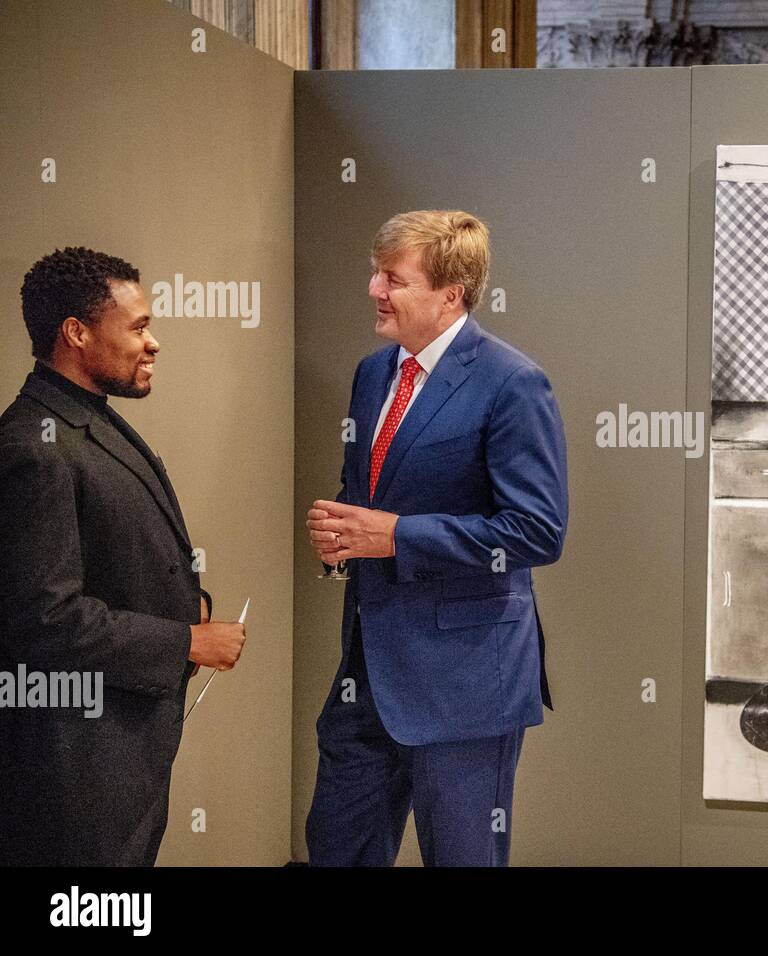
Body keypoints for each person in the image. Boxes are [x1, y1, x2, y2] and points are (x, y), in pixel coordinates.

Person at [304, 210, 568, 867]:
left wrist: (396, 537)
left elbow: (536, 529)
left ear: (450, 294)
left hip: (466, 685)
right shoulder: (372, 375)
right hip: (365, 676)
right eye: (376, 272)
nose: (373, 288)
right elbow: (368, 492)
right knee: (334, 848)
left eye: (393, 277)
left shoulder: (513, 384)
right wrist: (342, 529)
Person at [0, 247, 246, 865]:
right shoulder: (34, 447)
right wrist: (186, 640)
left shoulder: (88, 419)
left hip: (118, 751)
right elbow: (44, 620)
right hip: (74, 768)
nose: (153, 342)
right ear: (76, 334)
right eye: (137, 327)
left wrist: (188, 602)